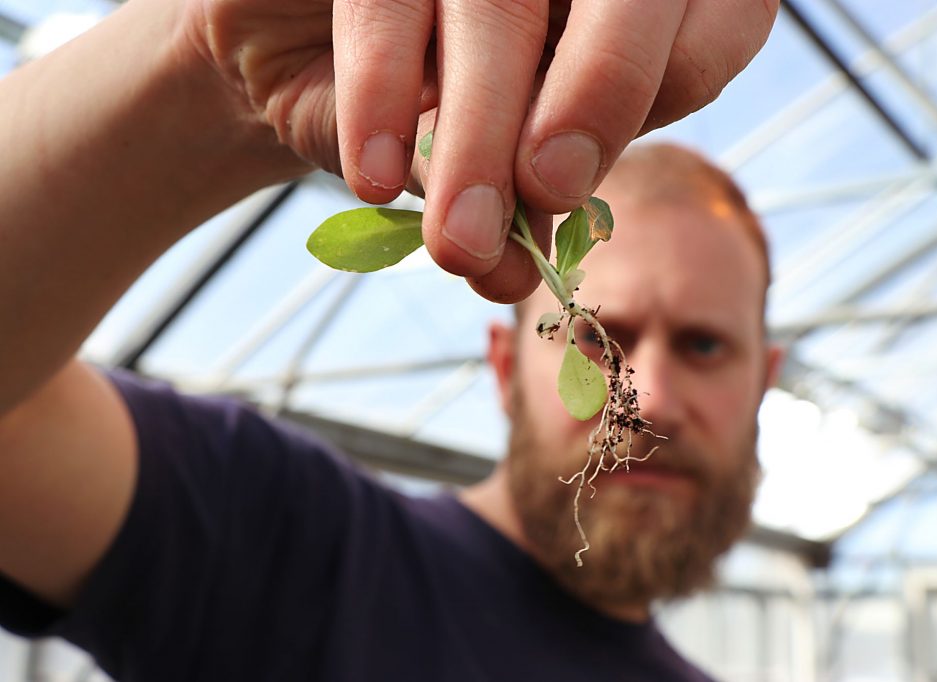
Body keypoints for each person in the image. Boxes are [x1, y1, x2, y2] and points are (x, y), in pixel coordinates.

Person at [0, 0, 780, 680]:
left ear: (765, 380)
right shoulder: (300, 558)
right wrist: (204, 60)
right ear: (504, 369)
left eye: (705, 347)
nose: (650, 397)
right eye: (591, 334)